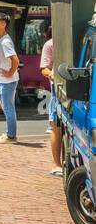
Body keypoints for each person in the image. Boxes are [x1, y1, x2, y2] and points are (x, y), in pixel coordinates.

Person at [0, 12, 20, 143]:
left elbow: (15, 60)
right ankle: (9, 134)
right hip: (3, 80)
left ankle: (11, 136)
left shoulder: (5, 41)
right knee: (6, 107)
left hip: (8, 81)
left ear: (3, 24)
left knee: (8, 108)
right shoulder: (0, 38)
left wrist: (10, 73)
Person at [40, 25, 63, 177]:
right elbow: (44, 68)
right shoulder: (50, 45)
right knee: (55, 126)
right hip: (57, 90)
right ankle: (56, 164)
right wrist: (52, 74)